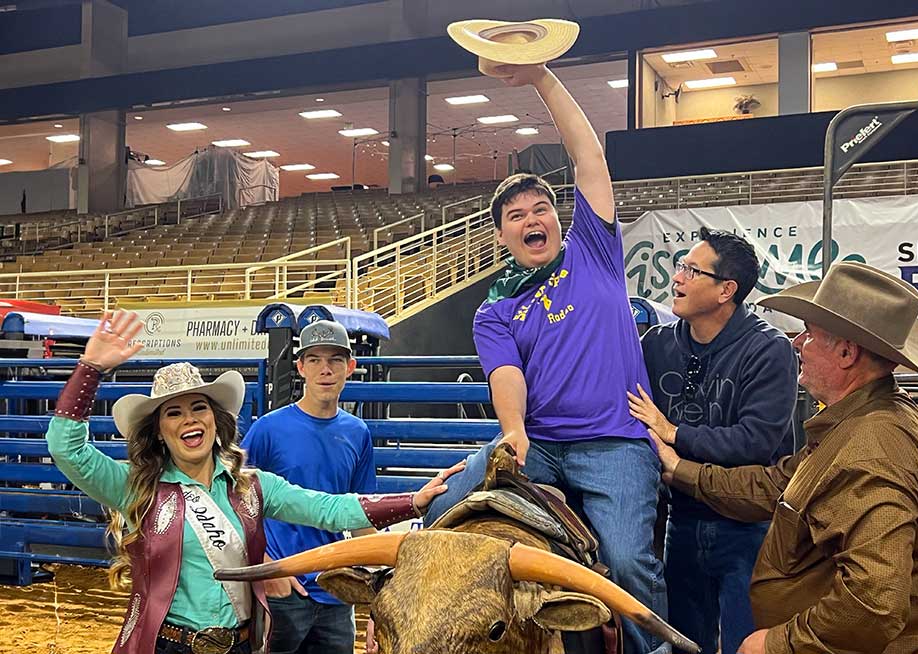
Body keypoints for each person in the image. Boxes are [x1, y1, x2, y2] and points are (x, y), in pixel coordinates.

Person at [46, 310, 462, 654]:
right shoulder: (135, 486)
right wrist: (90, 370)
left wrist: (414, 501)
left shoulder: (252, 486)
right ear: (159, 431)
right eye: (173, 413)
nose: (189, 419)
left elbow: (330, 508)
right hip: (168, 644)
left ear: (215, 420)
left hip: (243, 644)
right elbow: (66, 449)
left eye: (199, 408)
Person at [424, 62, 666, 653]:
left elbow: (589, 158)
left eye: (541, 209)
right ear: (501, 235)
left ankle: (654, 650)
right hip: (541, 443)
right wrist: (512, 431)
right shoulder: (495, 308)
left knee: (627, 561)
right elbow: (505, 373)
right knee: (439, 520)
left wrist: (541, 78)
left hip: (614, 442)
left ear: (559, 219)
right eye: (517, 216)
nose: (532, 220)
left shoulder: (593, 250)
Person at [650, 262, 918, 654]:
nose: (797, 343)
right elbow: (779, 485)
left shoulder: (872, 448)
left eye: (809, 334)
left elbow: (873, 602)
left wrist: (776, 644)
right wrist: (681, 471)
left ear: (846, 352)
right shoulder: (857, 422)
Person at [627, 227, 798, 654]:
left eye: (691, 270)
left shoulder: (769, 349)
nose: (677, 277)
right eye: (680, 266)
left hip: (749, 525)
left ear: (726, 290)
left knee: (748, 644)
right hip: (681, 521)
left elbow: (755, 441)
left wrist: (675, 433)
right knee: (685, 642)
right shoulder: (655, 345)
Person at [241, 319, 375, 654]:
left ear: (350, 367)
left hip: (335, 592)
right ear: (300, 367)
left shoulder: (358, 433)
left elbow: (362, 520)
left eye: (335, 360)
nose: (325, 369)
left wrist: (378, 593)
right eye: (314, 360)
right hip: (283, 590)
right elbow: (233, 501)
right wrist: (266, 568)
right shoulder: (268, 430)